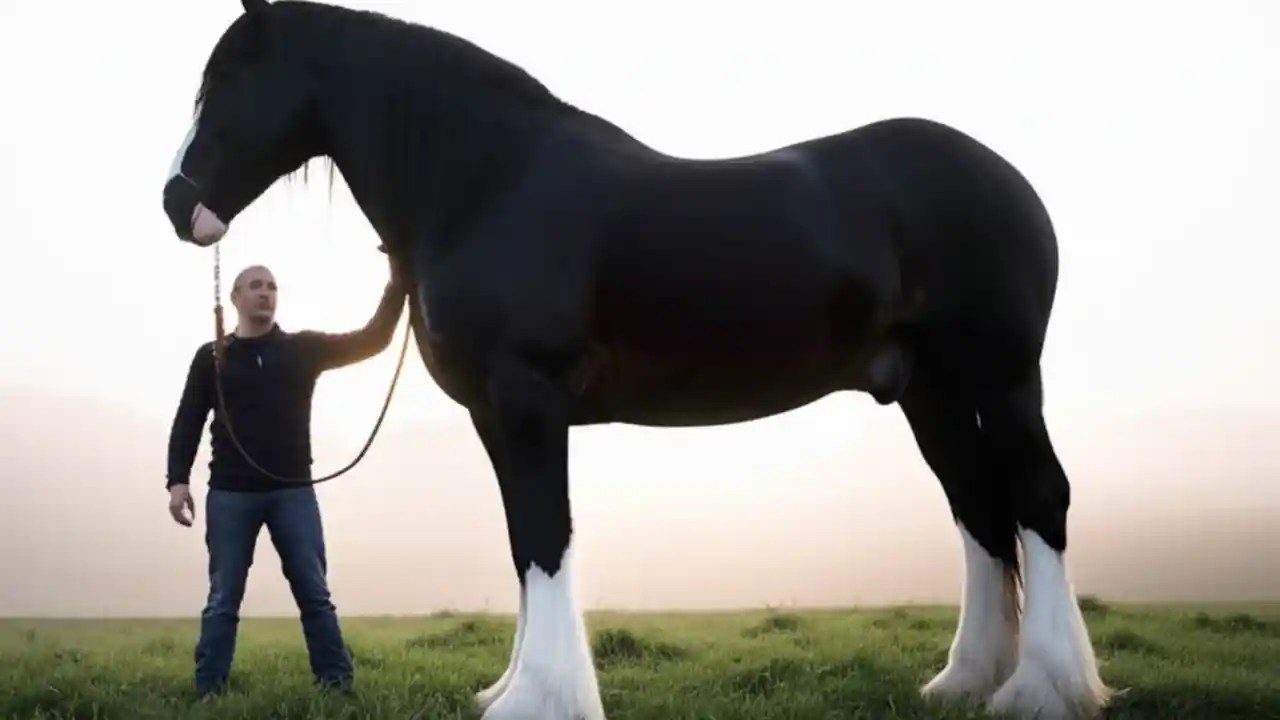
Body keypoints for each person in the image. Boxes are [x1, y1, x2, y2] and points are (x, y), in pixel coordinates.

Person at [165, 254, 406, 696]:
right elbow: (188, 420)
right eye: (255, 285)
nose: (265, 292)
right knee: (223, 599)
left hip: (293, 491)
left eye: (271, 286)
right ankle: (208, 691)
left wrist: (398, 283)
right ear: (235, 298)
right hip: (231, 493)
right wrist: (177, 480)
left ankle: (337, 686)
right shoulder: (211, 358)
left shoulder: (303, 348)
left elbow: (373, 339)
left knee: (314, 593)